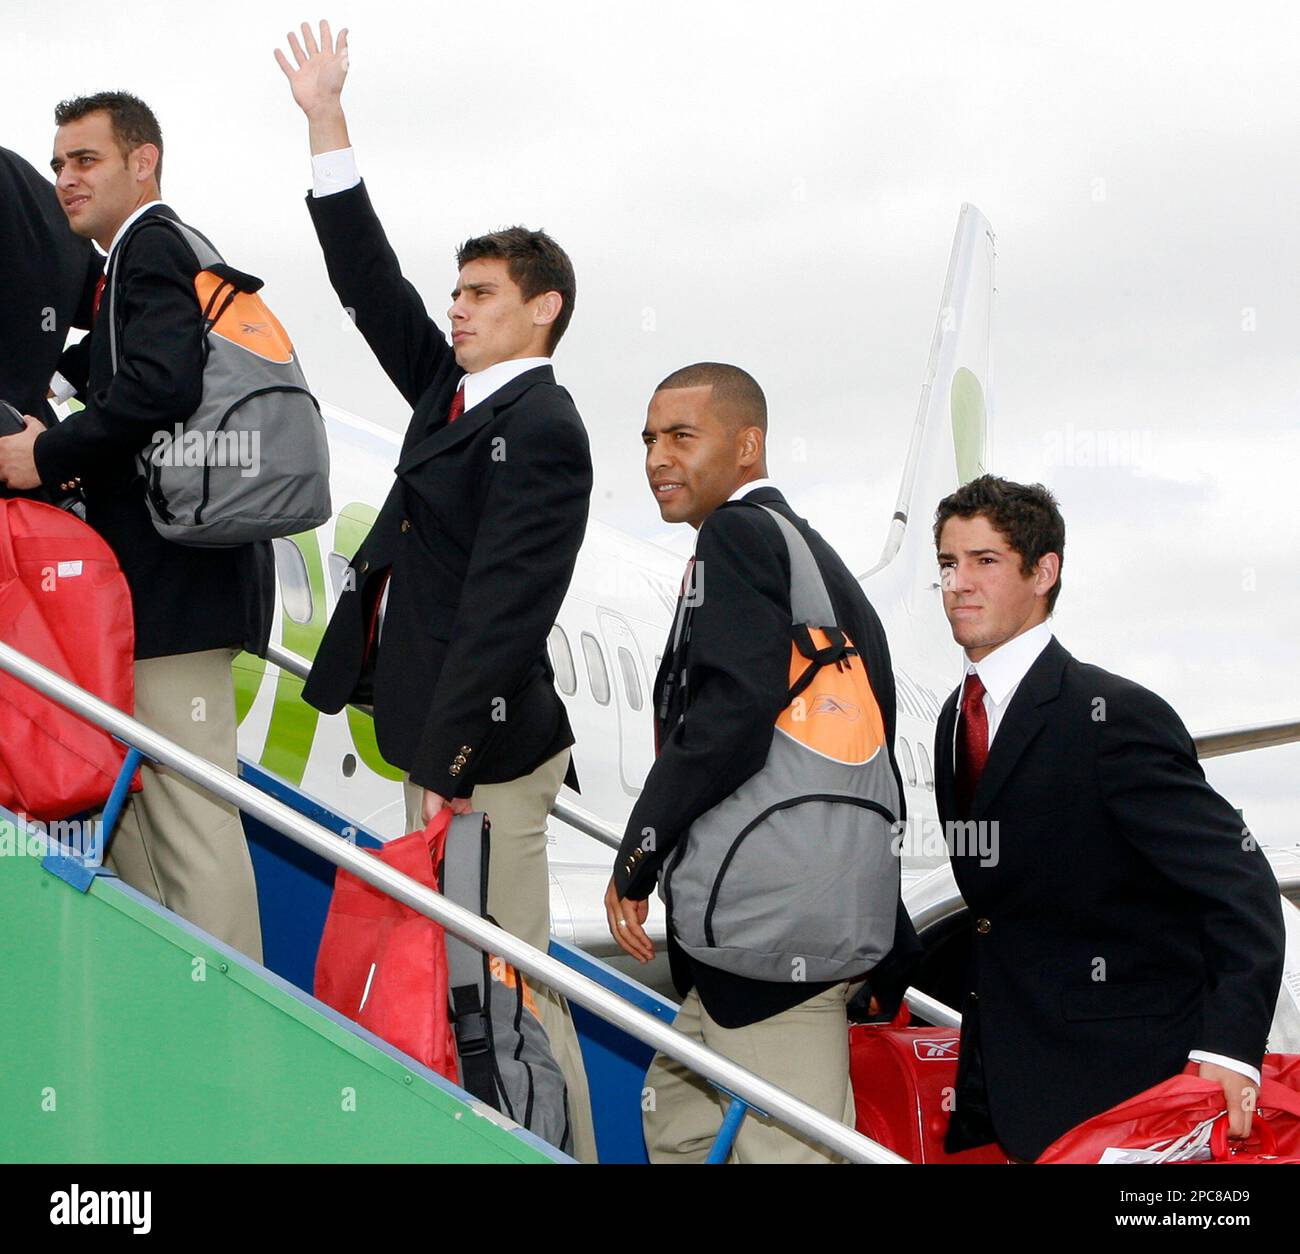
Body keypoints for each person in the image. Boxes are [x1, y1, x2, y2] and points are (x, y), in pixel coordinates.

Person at [273, 22, 597, 1159]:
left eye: (481, 294)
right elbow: (369, 286)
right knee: (459, 969)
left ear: (541, 309)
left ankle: (565, 1149)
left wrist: (446, 764)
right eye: (455, 293)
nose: (455, 310)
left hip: (490, 753)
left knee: (514, 975)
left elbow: (507, 609)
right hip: (435, 737)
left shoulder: (544, 428)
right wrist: (327, 127)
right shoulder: (451, 399)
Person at [605, 362, 919, 1163]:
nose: (656, 459)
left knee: (790, 1151)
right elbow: (867, 757)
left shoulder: (736, 537)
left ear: (748, 446)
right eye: (647, 439)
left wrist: (638, 856)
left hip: (770, 939)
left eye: (682, 436)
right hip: (773, 933)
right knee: (676, 1120)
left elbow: (729, 717)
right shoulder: (824, 570)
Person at [932, 474, 1285, 1162]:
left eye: (985, 561)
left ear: (1044, 572)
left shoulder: (1111, 715)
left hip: (1118, 1091)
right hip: (995, 1087)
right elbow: (996, 906)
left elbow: (1239, 887)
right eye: (948, 564)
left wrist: (1231, 1050)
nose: (958, 584)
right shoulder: (954, 718)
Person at [0, 93, 271, 962]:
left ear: (142, 162)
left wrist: (47, 456)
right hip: (161, 593)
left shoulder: (153, 245)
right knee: (152, 832)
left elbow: (160, 387)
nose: (65, 181)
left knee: (192, 821)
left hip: (176, 593)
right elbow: (124, 370)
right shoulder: (127, 267)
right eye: (58, 164)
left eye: (86, 161)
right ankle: (179, 1001)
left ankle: (234, 1012)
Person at [0, 145, 98, 433]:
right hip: (29, 444)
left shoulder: (42, 199)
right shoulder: (42, 198)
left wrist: (67, 375)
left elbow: (123, 300)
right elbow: (125, 302)